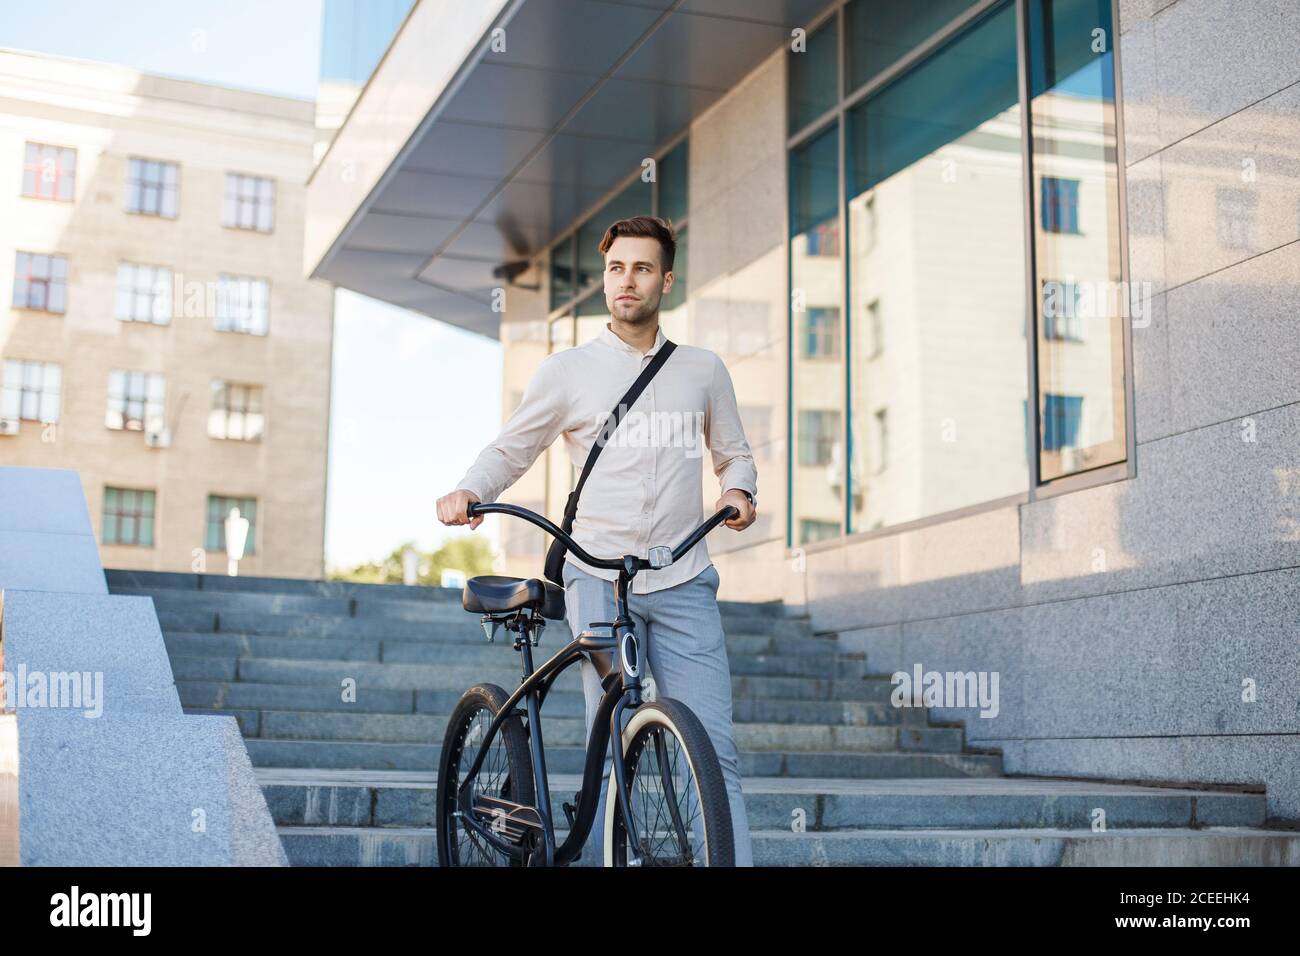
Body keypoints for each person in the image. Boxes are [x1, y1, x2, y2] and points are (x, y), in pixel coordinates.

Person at [437, 215, 757, 866]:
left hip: (683, 580)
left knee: (713, 744)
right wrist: (470, 489)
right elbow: (513, 445)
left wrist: (738, 492)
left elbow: (734, 455)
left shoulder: (701, 369)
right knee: (615, 729)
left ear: (666, 280)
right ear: (603, 278)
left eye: (642, 268)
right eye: (616, 268)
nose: (627, 280)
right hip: (595, 577)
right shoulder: (569, 371)